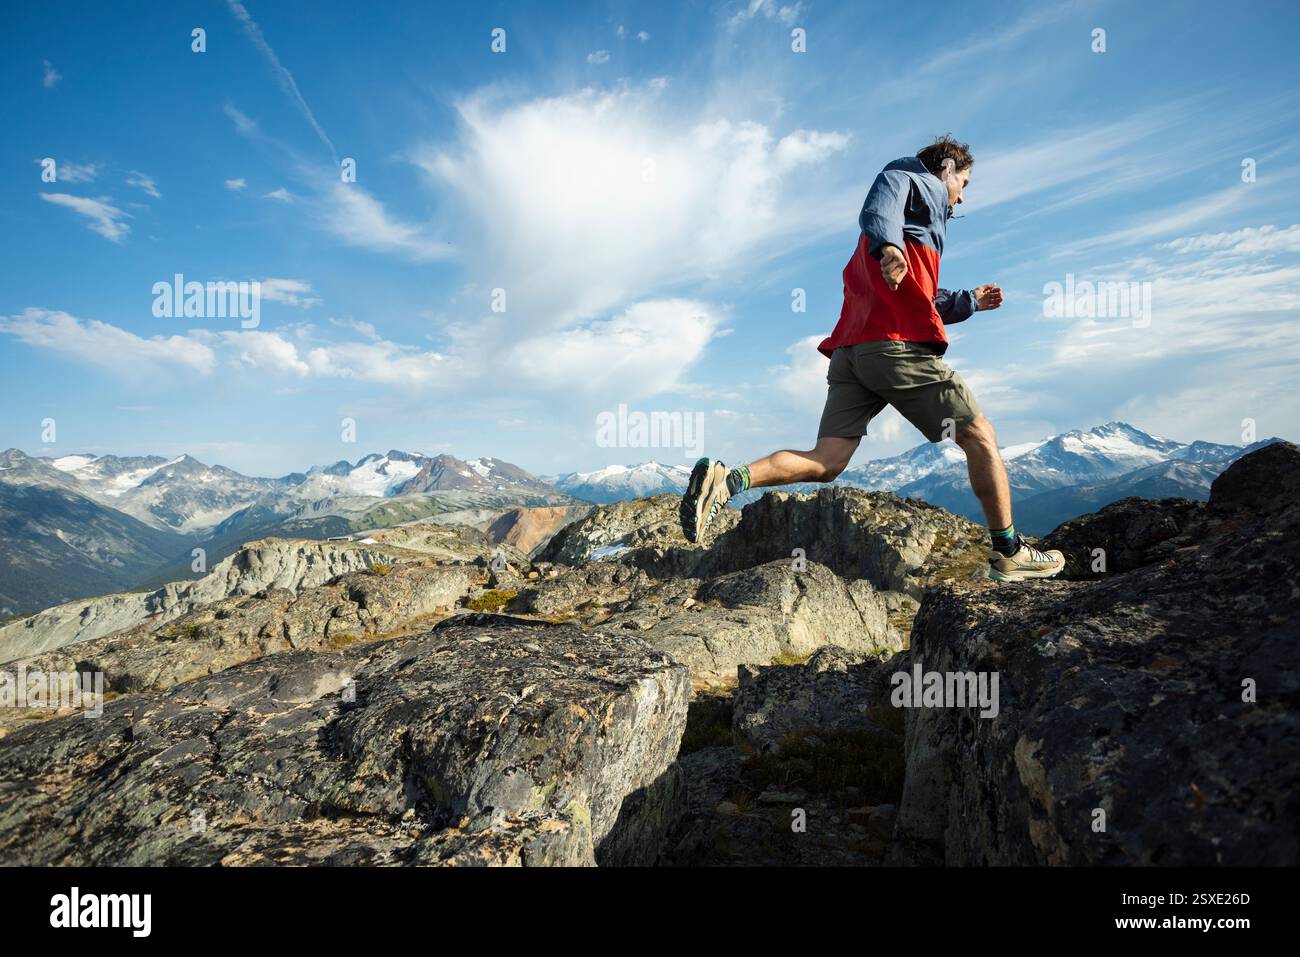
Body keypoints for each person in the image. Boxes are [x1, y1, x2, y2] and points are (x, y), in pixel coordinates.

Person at [679, 135, 1064, 582]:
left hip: (852, 355)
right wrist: (890, 248)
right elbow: (878, 206)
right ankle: (1009, 551)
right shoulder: (912, 180)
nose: (964, 193)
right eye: (965, 180)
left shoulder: (912, 231)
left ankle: (727, 481)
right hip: (894, 348)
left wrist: (969, 302)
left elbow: (922, 300)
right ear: (947, 167)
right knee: (979, 434)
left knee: (827, 461)